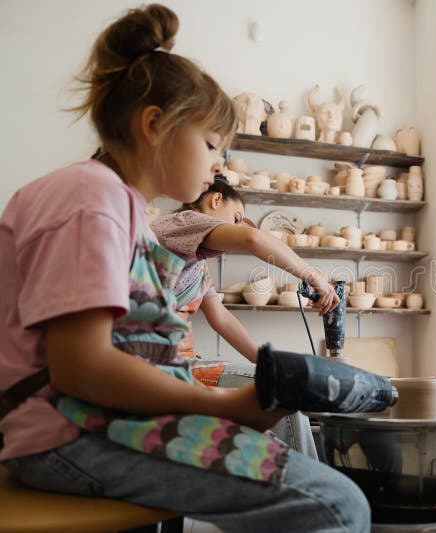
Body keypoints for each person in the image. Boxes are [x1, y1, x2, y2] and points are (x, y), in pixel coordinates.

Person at [0, 5, 368, 532]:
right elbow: (79, 366)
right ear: (154, 125)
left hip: (100, 420)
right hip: (64, 432)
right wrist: (226, 407)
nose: (219, 163)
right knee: (335, 506)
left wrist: (250, 391)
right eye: (212, 143)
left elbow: (197, 325)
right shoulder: (91, 199)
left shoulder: (119, 207)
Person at [150, 175, 332, 458]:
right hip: (159, 366)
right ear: (216, 199)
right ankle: (310, 488)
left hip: (184, 362)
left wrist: (266, 363)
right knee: (281, 390)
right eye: (236, 217)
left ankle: (290, 481)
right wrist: (312, 275)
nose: (236, 227)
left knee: (277, 387)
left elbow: (221, 319)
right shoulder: (181, 222)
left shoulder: (196, 263)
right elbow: (252, 238)